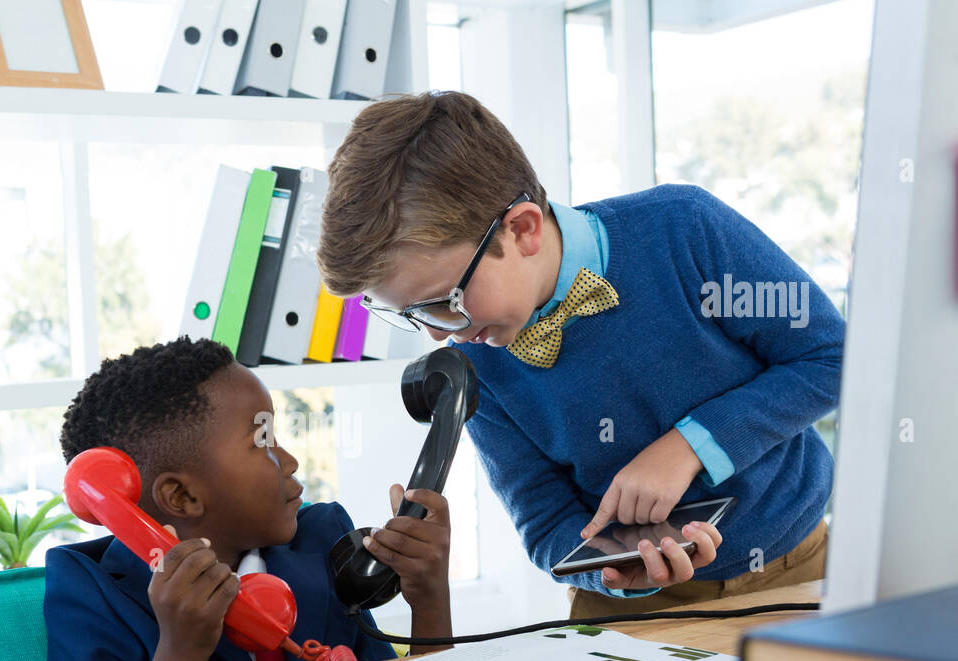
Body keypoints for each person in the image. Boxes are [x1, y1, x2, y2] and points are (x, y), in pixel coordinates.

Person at [316, 91, 841, 618]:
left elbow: (833, 358)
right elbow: (545, 523)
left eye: (444, 302)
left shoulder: (684, 228)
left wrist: (688, 447)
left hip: (798, 572)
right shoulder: (473, 356)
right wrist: (616, 574)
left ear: (522, 229)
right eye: (412, 314)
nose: (436, 335)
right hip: (621, 612)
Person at [44, 338, 453, 661]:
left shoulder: (324, 540)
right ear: (182, 497)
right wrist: (180, 653)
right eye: (262, 441)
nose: (289, 461)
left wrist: (429, 596)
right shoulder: (91, 596)